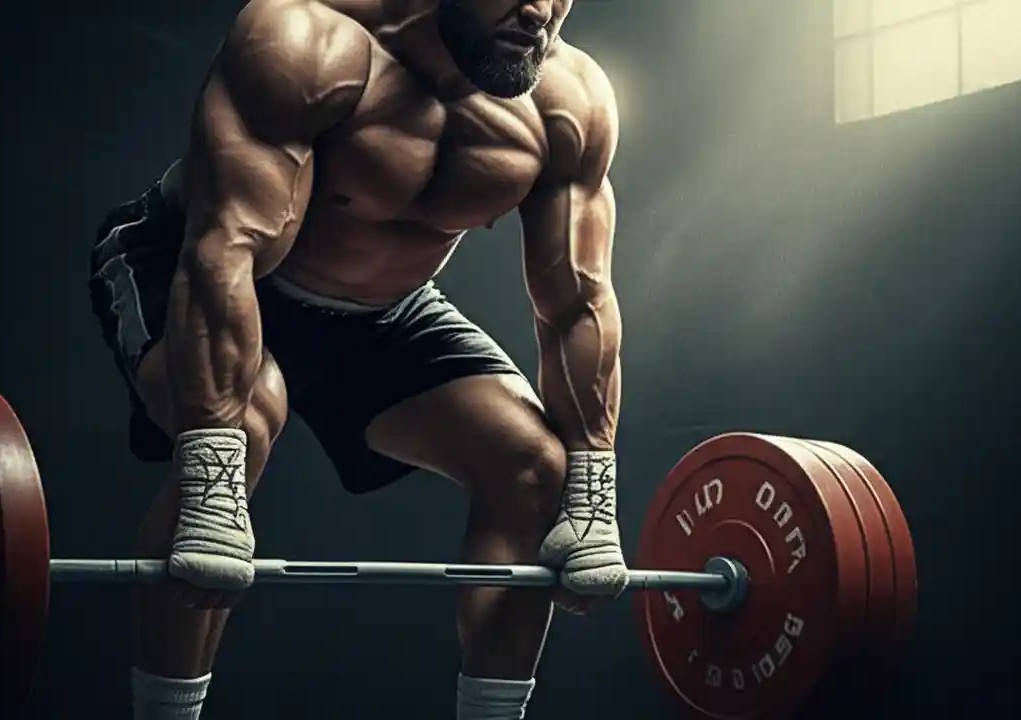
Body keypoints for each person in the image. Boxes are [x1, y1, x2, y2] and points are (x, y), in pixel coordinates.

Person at [88, 1, 625, 718]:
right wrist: (209, 471)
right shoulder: (305, 40)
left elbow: (577, 302)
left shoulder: (567, 100)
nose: (540, 9)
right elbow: (229, 247)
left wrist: (591, 494)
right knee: (243, 425)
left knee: (534, 465)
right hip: (198, 265)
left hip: (383, 313)